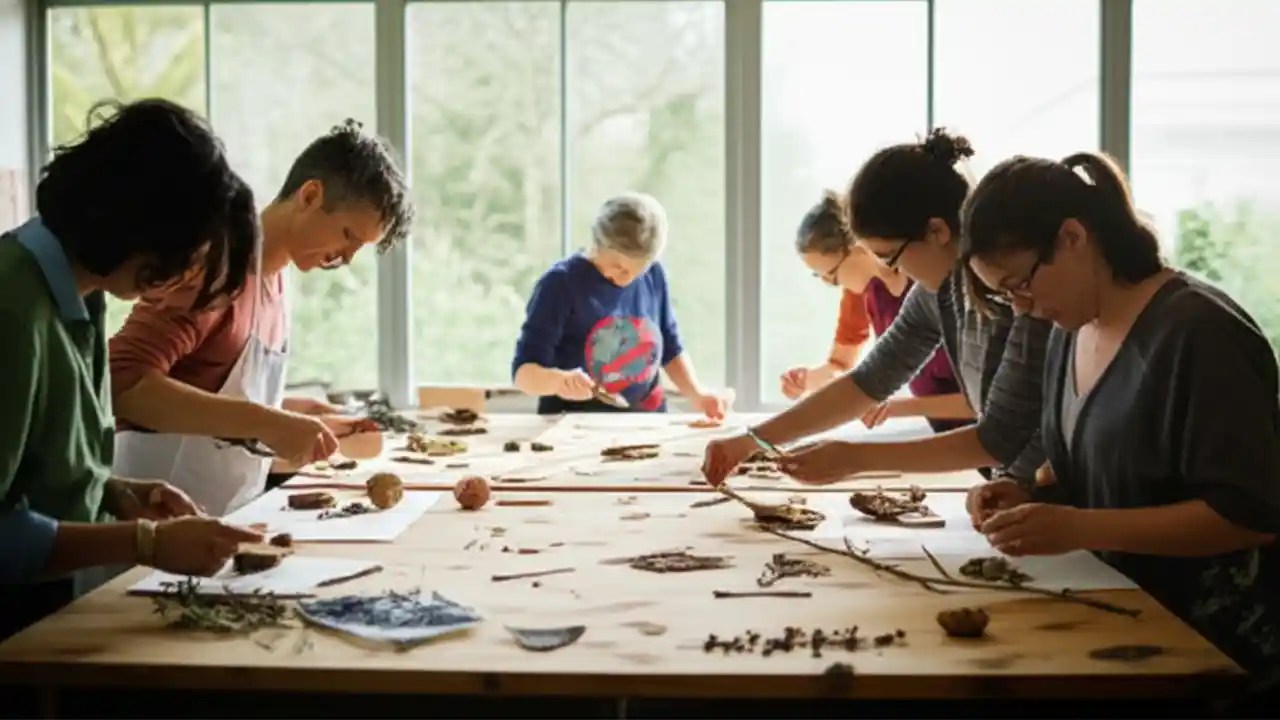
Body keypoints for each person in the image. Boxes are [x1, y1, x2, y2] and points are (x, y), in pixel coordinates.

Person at [960, 151, 1279, 683]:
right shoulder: (1070, 332)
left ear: (1072, 238)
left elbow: (1249, 515)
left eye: (1021, 283)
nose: (1020, 306)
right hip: (1121, 627)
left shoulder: (1197, 333)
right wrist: (1033, 498)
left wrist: (1079, 526)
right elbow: (1095, 474)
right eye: (1004, 294)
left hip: (1213, 650)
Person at [0, 98, 265, 638]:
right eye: (187, 251)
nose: (183, 271)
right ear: (139, 221)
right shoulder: (12, 303)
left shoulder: (86, 296)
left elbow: (40, 471)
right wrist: (146, 543)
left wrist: (115, 491)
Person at [702, 129, 1049, 487]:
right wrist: (753, 440)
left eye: (892, 258)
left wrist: (854, 458)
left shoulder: (1016, 299)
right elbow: (868, 381)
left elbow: (997, 438)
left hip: (1053, 497)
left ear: (937, 232)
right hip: (1013, 491)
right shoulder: (937, 293)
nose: (894, 273)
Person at [109, 119, 415, 517]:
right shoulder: (217, 266)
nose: (347, 257)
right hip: (151, 527)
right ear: (309, 195)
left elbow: (212, 385)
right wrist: (267, 422)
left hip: (221, 518)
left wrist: (291, 415)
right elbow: (121, 382)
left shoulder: (278, 278)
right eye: (348, 236)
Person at [513, 192, 728, 417]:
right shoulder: (559, 285)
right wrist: (559, 382)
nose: (624, 278)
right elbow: (524, 373)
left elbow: (670, 347)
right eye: (617, 266)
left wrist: (697, 394)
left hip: (646, 419)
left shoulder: (653, 276)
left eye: (635, 272)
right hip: (574, 424)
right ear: (598, 243)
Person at [784, 191, 974, 433]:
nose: (833, 284)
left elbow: (985, 401)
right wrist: (810, 381)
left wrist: (897, 407)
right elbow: (857, 374)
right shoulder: (867, 294)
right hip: (945, 435)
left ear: (859, 248)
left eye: (832, 277)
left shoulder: (929, 286)